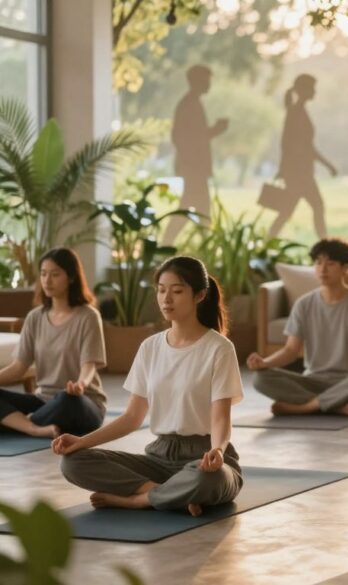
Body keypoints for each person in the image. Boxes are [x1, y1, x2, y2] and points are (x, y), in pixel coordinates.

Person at [54, 256, 243, 517]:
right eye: (161, 290)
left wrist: (218, 451)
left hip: (205, 459)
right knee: (73, 463)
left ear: (199, 295)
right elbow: (132, 417)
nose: (166, 299)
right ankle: (165, 493)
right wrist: (81, 441)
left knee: (209, 480)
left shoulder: (219, 349)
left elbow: (221, 418)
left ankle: (137, 500)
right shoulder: (150, 347)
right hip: (159, 457)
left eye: (177, 291)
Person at [248, 239, 348, 417]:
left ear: (345, 268)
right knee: (260, 378)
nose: (322, 269)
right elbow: (290, 350)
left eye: (330, 263)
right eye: (318, 263)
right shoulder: (303, 304)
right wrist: (265, 363)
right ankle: (334, 405)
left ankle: (304, 407)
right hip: (312, 380)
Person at [0, 248, 107, 437]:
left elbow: (89, 365)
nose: (47, 281)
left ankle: (17, 422)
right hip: (44, 401)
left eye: (55, 274)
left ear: (71, 277)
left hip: (80, 402)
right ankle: (34, 428)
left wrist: (80, 385)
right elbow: (18, 368)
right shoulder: (35, 317)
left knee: (67, 400)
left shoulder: (88, 316)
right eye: (43, 274)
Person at [162, 65, 229, 246]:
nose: (209, 84)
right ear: (197, 81)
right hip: (193, 168)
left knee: (198, 208)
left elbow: (194, 137)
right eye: (206, 80)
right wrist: (215, 130)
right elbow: (186, 138)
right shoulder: (188, 105)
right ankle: (170, 244)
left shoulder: (192, 104)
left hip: (194, 167)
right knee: (194, 209)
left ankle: (172, 244)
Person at [268, 74, 337, 240]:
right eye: (312, 88)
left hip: (298, 172)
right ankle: (325, 244)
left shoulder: (297, 111)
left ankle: (267, 243)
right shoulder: (296, 113)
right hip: (299, 173)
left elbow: (300, 146)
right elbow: (298, 146)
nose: (314, 92)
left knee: (288, 211)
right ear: (303, 90)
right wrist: (328, 165)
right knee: (314, 207)